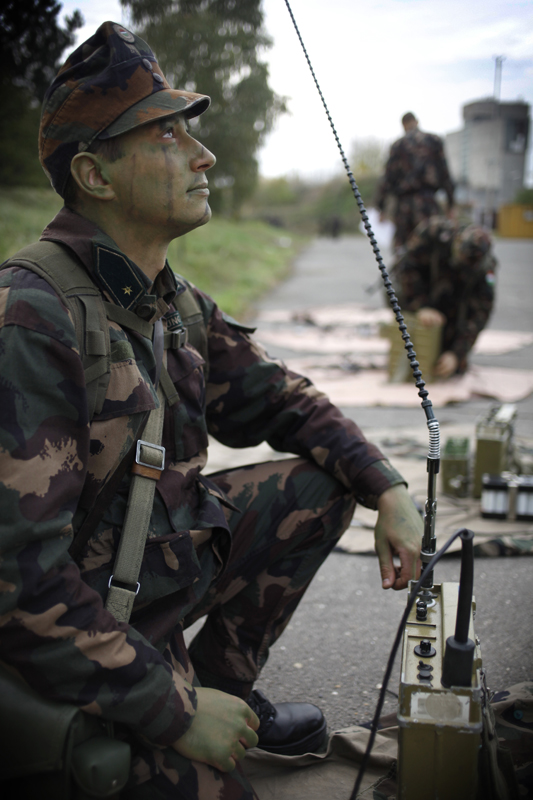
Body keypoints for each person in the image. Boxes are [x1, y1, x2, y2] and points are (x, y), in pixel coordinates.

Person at [0, 22, 423, 799]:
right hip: (77, 630)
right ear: (95, 174)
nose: (204, 155)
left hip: (154, 574)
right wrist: (171, 710)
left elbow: (281, 398)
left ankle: (228, 693)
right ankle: (179, 719)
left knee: (322, 485)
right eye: (167, 136)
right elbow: (15, 583)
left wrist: (387, 486)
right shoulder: (32, 316)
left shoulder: (169, 300)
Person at [393, 215, 497, 378]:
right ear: (456, 243)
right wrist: (421, 306)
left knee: (450, 366)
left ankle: (446, 352)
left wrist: (457, 354)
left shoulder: (485, 269)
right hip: (418, 293)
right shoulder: (433, 233)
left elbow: (480, 313)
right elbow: (405, 270)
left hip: (453, 303)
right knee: (414, 349)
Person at [376, 112, 455, 252]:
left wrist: (381, 207)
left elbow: (387, 180)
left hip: (405, 207)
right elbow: (445, 174)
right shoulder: (434, 141)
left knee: (403, 252)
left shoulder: (398, 145)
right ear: (417, 122)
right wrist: (451, 205)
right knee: (432, 248)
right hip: (429, 205)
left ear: (403, 125)